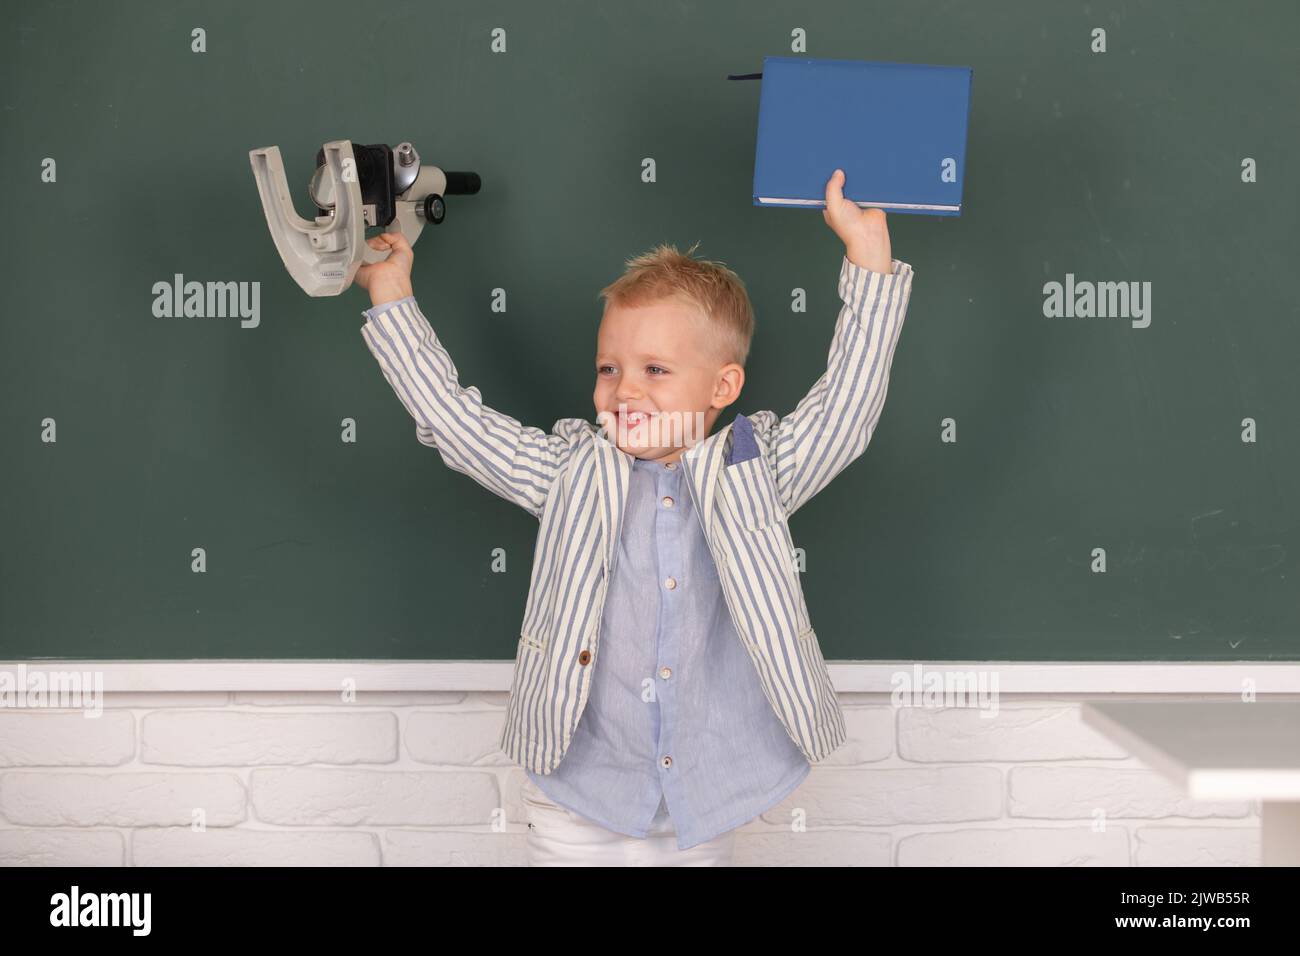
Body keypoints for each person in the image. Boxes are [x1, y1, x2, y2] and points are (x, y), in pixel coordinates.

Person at [354, 169, 914, 865]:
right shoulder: (572, 471)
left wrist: (869, 261)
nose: (624, 392)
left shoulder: (754, 468)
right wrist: (390, 294)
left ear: (722, 386)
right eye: (609, 369)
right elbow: (455, 423)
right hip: (578, 786)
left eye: (655, 370)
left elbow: (847, 411)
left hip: (702, 795)